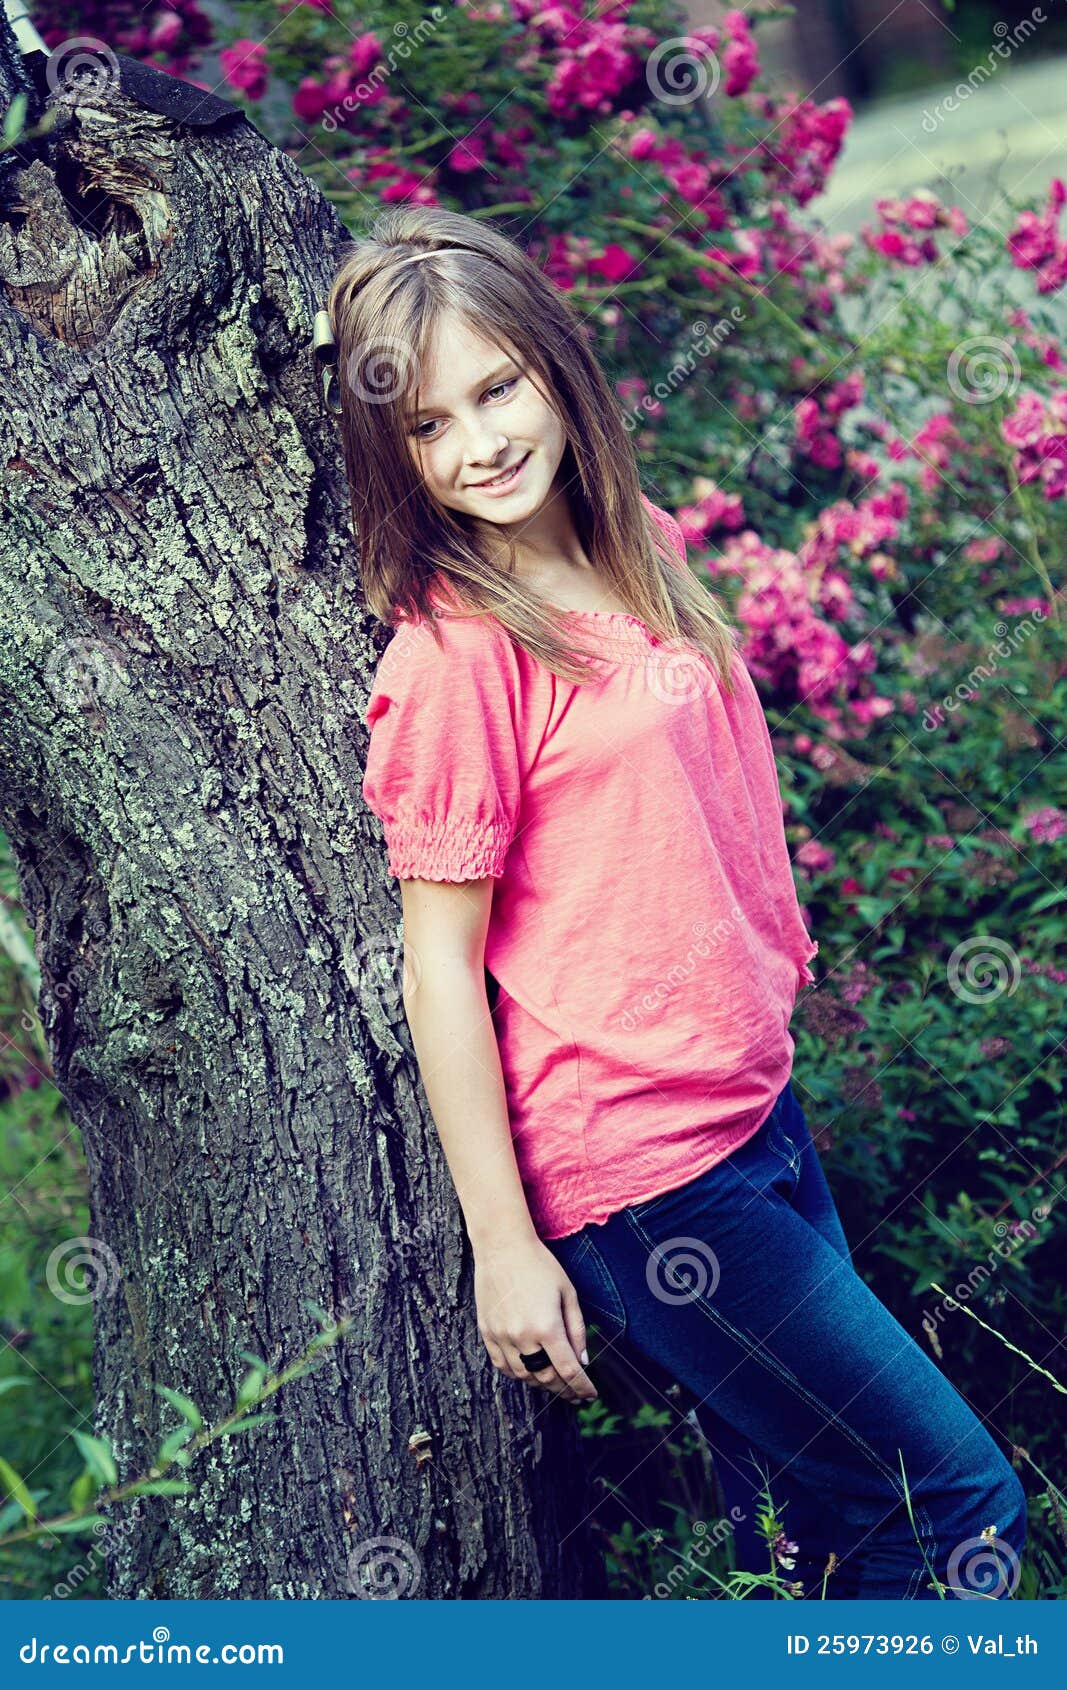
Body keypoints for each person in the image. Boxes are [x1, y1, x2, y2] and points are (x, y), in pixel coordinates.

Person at [327, 204, 1028, 1601]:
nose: (479, 443)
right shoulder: (460, 655)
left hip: (757, 1111)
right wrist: (506, 1245)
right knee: (956, 1502)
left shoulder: (625, 544)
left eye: (498, 387)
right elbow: (438, 966)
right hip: (653, 1180)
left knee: (819, 1538)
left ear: (553, 364)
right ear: (391, 456)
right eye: (429, 426)